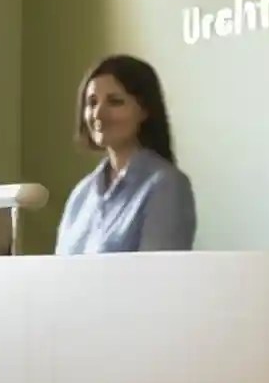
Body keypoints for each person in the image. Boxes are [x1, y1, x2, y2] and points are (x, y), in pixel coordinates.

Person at [55, 54, 197, 255]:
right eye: (92, 102)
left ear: (144, 110)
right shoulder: (81, 194)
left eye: (114, 101)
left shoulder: (167, 186)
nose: (98, 114)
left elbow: (159, 279)